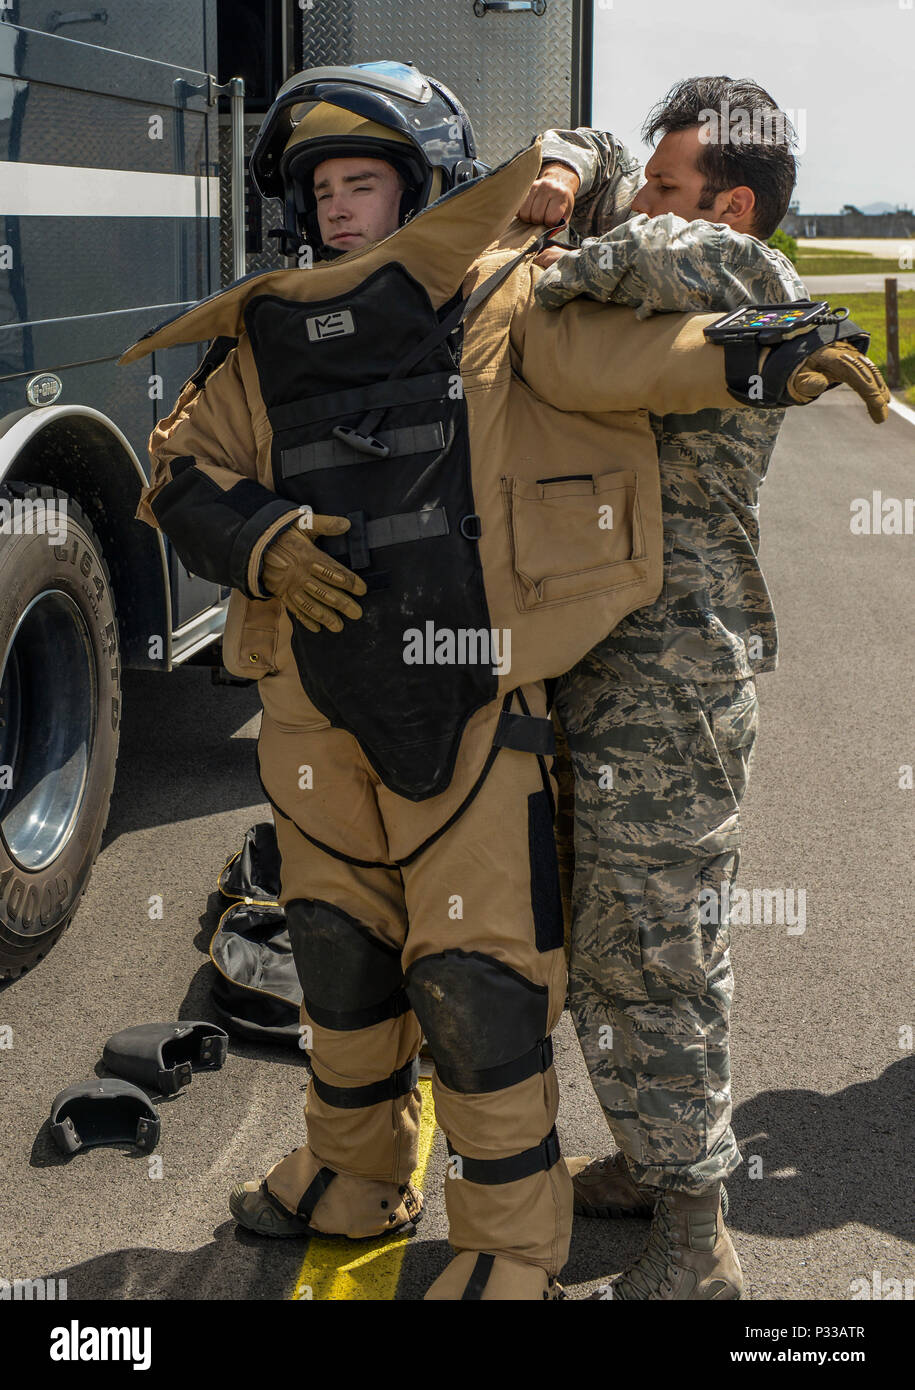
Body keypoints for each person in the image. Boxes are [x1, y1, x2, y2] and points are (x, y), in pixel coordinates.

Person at [122, 63, 886, 1300]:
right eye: (320, 189)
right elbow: (181, 471)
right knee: (340, 956)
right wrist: (256, 541)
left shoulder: (506, 302)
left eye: (363, 182)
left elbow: (630, 356)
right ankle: (356, 1166)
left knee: (489, 981)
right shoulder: (268, 340)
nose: (337, 211)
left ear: (421, 183)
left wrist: (761, 358)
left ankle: (526, 1237)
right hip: (324, 713)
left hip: (495, 701)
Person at [516, 76, 888, 1299]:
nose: (641, 205)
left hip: (677, 684)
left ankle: (696, 1235)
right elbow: (604, 163)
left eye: (670, 189)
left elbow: (662, 247)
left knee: (666, 949)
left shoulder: (757, 293)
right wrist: (572, 168)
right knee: (598, 938)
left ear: (732, 204)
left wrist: (558, 262)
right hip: (595, 666)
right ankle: (645, 1152)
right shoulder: (674, 274)